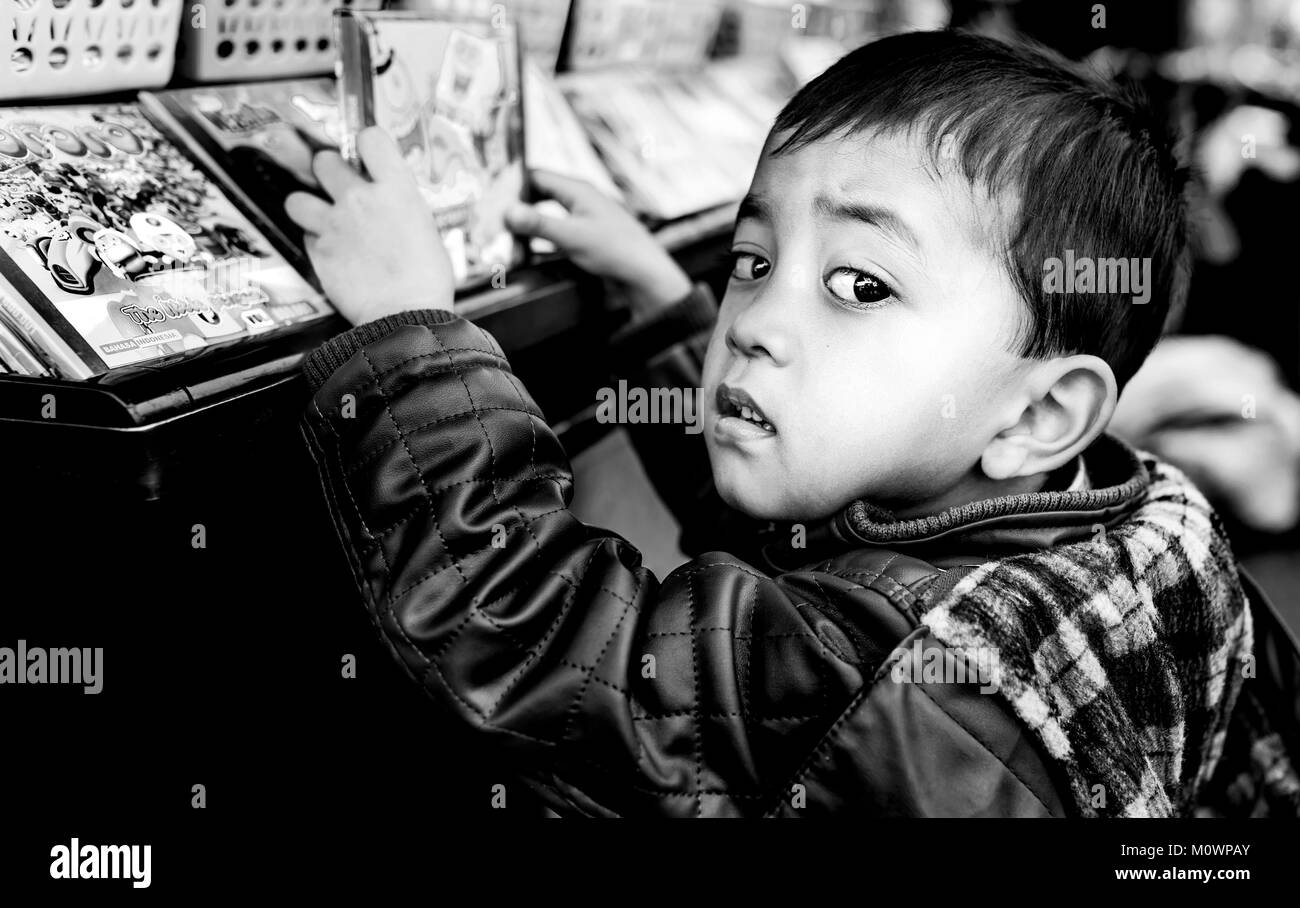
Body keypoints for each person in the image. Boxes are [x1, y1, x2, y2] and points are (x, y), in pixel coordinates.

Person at [285, 31, 1272, 816]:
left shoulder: (899, 670)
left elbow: (542, 640)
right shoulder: (1132, 533)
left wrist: (408, 330)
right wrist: (664, 303)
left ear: (1039, 410)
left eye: (858, 283)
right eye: (753, 260)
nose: (754, 323)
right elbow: (787, 536)